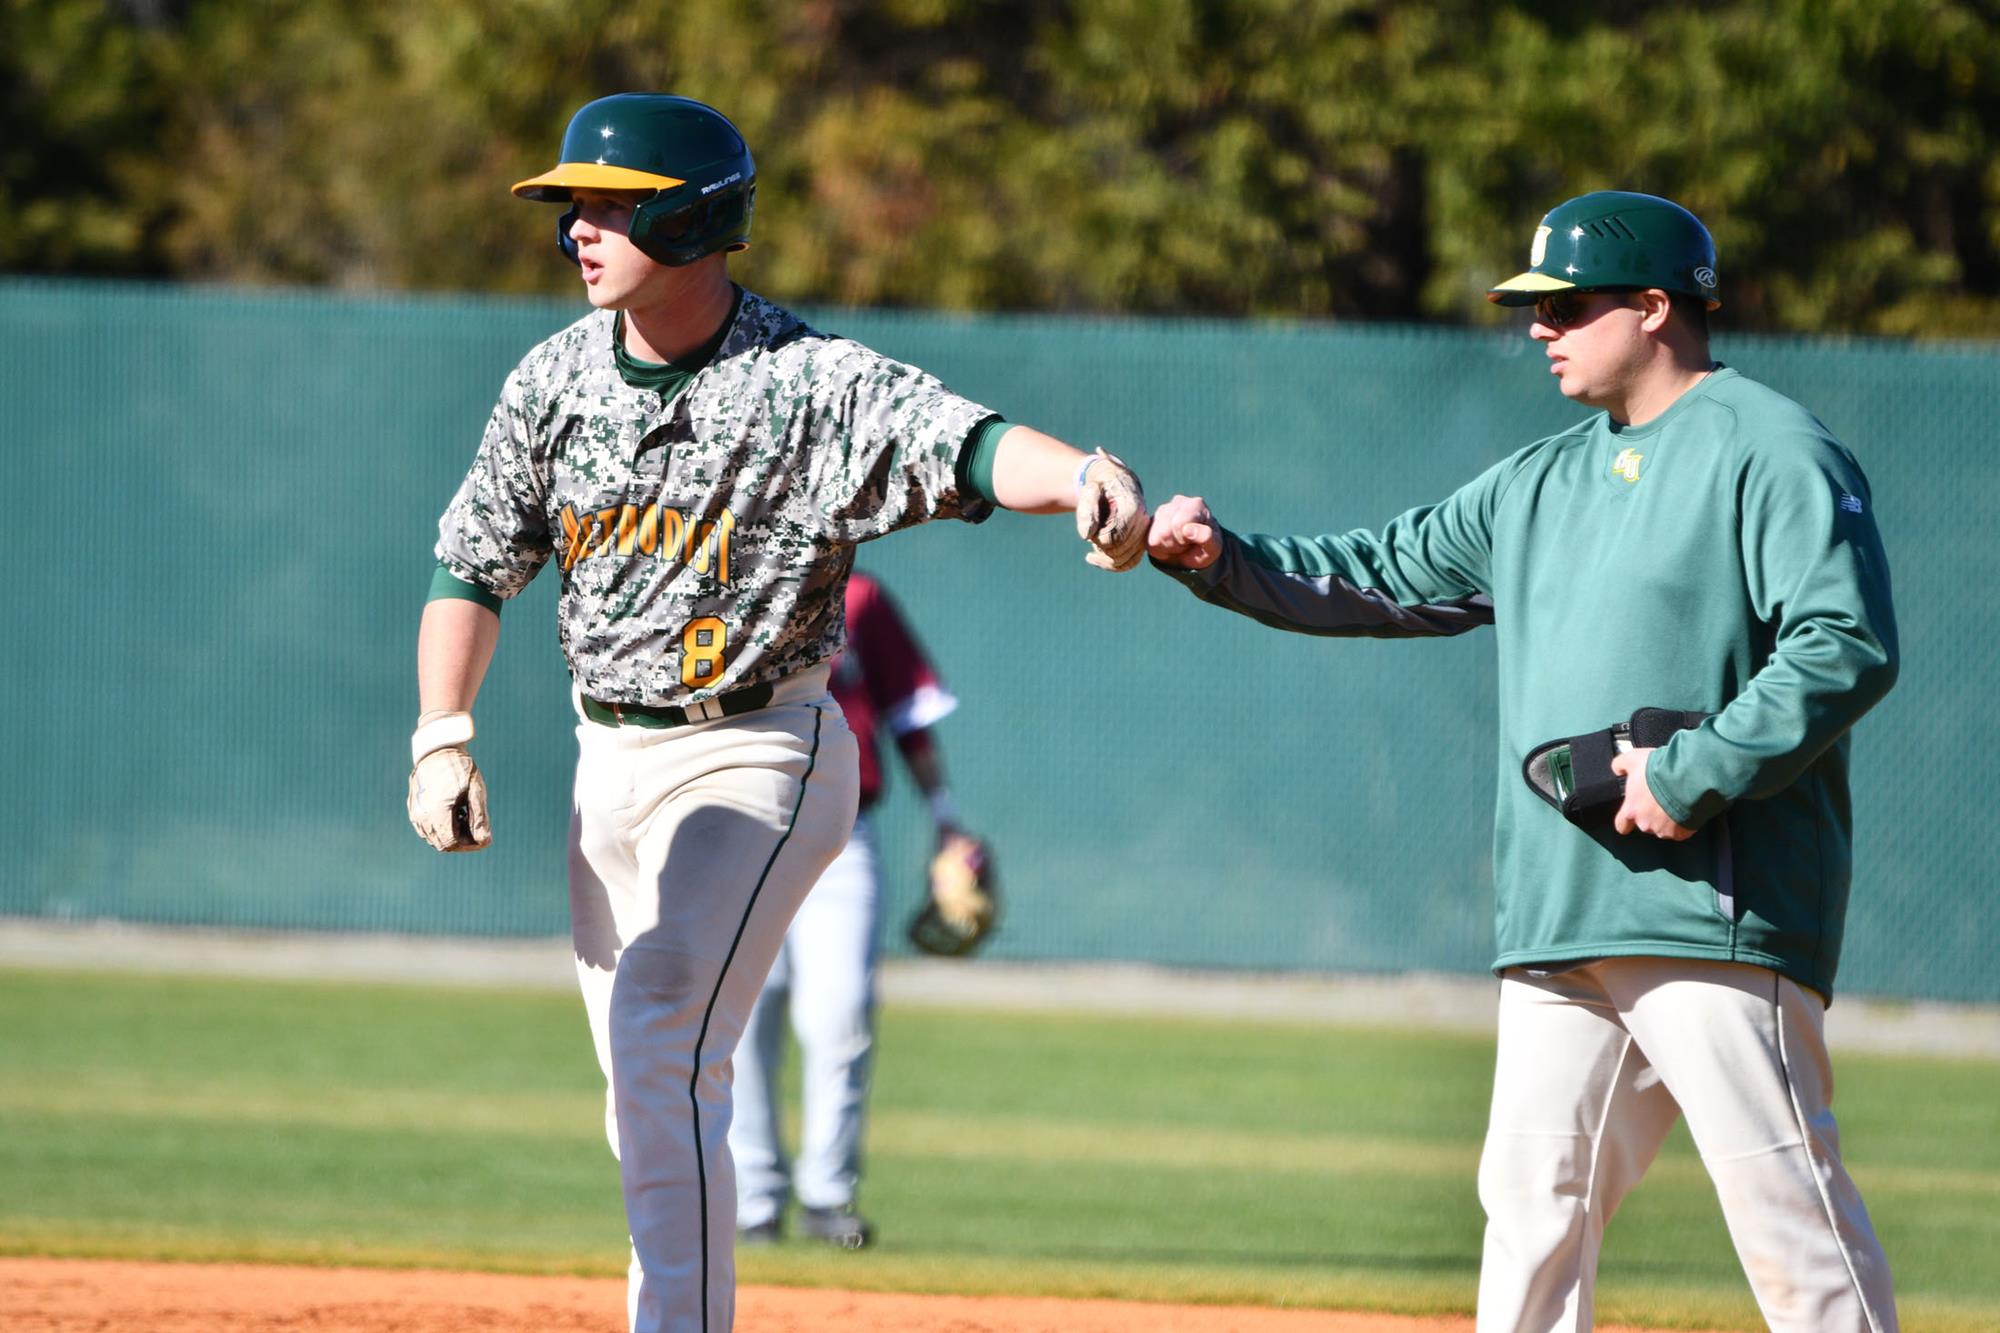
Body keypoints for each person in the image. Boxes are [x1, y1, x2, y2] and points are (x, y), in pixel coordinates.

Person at [404, 93, 1146, 1333]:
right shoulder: (551, 382)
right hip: (607, 762)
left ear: (691, 217)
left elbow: (966, 443)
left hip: (760, 751)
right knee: (642, 1082)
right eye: (571, 208)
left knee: (659, 1032)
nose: (578, 229)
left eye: (609, 205)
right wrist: (442, 732)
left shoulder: (804, 384)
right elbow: (471, 565)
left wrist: (1081, 474)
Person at [1146, 191, 1900, 1333]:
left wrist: (1688, 771)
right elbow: (1379, 573)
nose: (1538, 327)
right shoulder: (1536, 482)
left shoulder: (1767, 447)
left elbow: (1842, 642)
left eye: (1565, 305)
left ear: (1654, 307)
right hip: (1560, 915)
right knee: (1530, 1211)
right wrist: (1218, 558)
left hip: (1711, 911)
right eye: (1531, 308)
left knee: (1781, 1208)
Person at [727, 569, 975, 1250]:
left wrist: (946, 817)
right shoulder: (720, 579)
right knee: (743, 1020)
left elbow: (907, 711)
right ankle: (754, 1198)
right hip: (739, 826)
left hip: (843, 829)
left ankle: (828, 1196)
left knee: (841, 1012)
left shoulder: (858, 595)